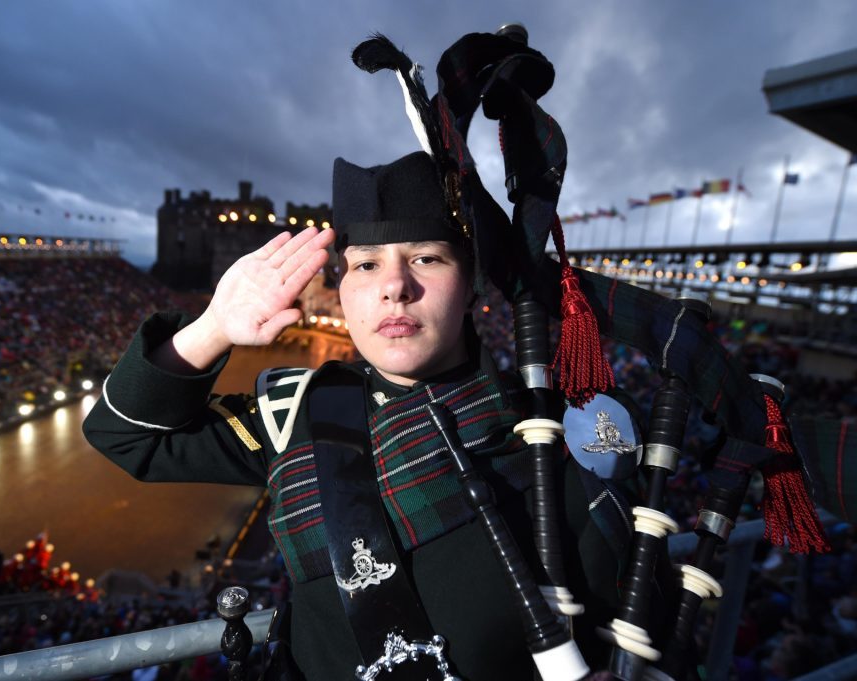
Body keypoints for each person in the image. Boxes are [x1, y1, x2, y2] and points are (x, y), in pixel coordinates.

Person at [82, 151, 628, 679]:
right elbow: (123, 435)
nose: (394, 285)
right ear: (342, 291)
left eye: (426, 258)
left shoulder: (556, 438)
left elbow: (618, 627)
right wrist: (214, 327)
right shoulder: (295, 414)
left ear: (470, 288)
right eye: (366, 264)